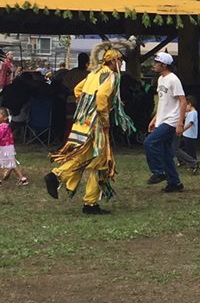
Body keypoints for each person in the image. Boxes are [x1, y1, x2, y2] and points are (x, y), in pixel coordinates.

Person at [45, 48, 136, 214]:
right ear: (113, 61)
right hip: (96, 124)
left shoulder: (94, 73)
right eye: (120, 61)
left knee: (86, 156)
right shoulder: (111, 75)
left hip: (83, 122)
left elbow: (78, 90)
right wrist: (104, 118)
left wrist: (86, 107)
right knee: (100, 161)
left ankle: (57, 175)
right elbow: (102, 97)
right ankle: (90, 203)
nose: (121, 64)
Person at [142, 53, 187, 193]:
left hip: (171, 120)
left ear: (165, 65)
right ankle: (175, 182)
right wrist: (155, 118)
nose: (154, 65)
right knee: (167, 152)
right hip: (163, 119)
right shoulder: (161, 79)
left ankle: (159, 171)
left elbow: (183, 101)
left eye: (156, 62)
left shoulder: (173, 80)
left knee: (149, 142)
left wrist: (180, 122)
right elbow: (163, 101)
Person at [0, 108, 28, 188]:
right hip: (8, 148)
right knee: (12, 164)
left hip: (1, 148)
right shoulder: (6, 126)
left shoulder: (2, 127)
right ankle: (22, 179)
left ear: (5, 118)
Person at [177, 93, 200, 173]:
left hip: (190, 136)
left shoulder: (193, 113)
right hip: (185, 135)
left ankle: (193, 164)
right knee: (178, 147)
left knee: (190, 151)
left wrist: (183, 129)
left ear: (189, 104)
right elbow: (183, 116)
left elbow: (191, 123)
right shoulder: (189, 113)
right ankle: (182, 161)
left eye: (185, 105)